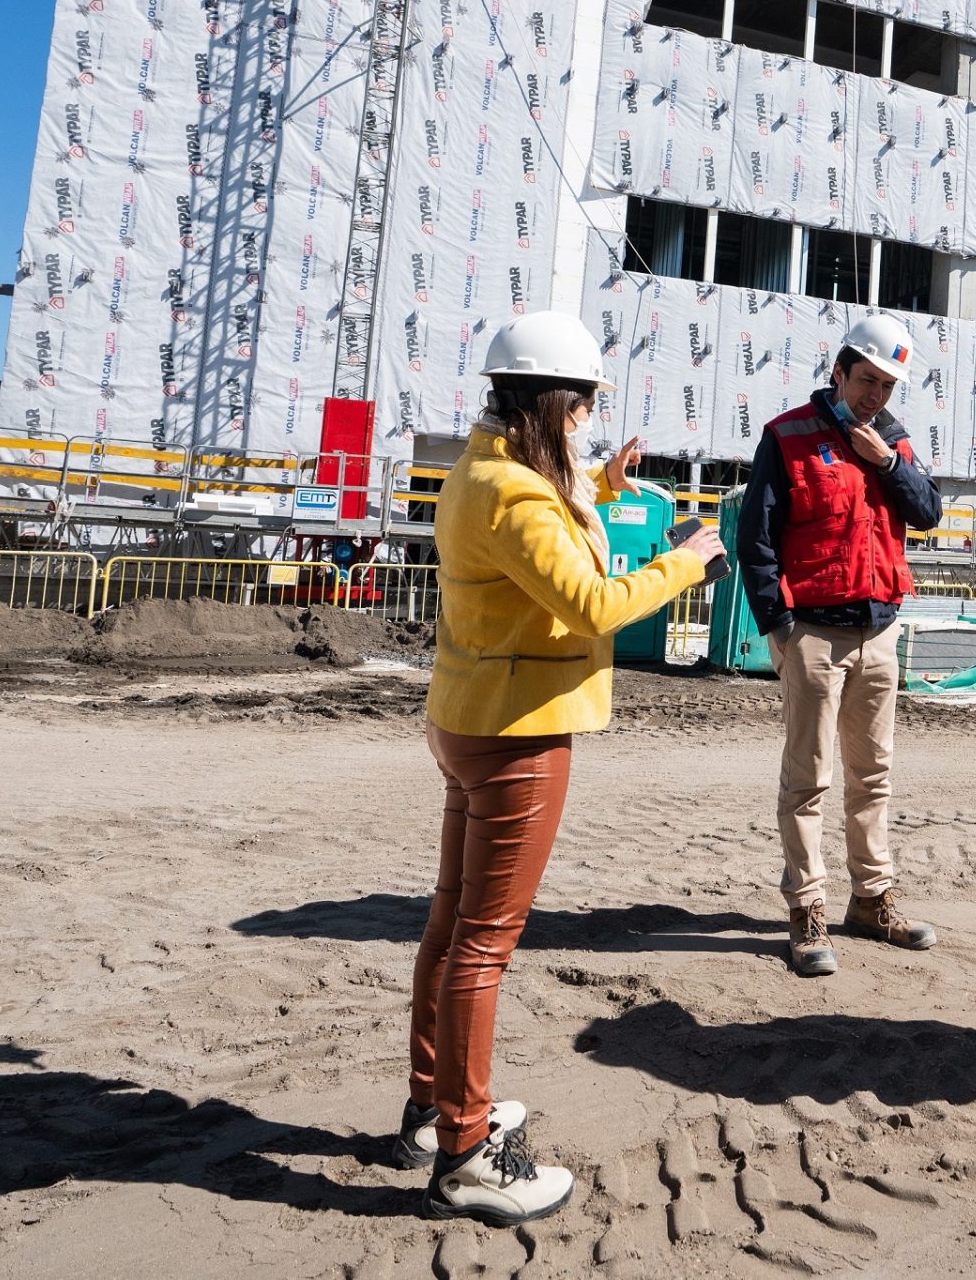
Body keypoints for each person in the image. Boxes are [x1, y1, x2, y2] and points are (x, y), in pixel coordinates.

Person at [399, 309, 724, 1225]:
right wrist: (683, 563)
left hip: (471, 719)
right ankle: (466, 1151)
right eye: (581, 403)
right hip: (518, 734)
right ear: (554, 401)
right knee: (483, 943)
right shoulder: (519, 494)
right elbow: (588, 603)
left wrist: (608, 495)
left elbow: (543, 546)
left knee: (452, 924)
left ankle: (433, 1108)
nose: (587, 418)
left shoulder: (488, 472)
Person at [735, 311, 945, 977]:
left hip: (878, 629)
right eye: (866, 381)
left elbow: (929, 512)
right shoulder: (789, 436)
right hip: (814, 635)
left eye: (887, 386)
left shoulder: (894, 441)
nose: (875, 396)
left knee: (873, 775)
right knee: (808, 779)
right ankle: (806, 910)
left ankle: (872, 898)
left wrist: (887, 464)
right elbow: (757, 538)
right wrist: (779, 625)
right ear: (840, 370)